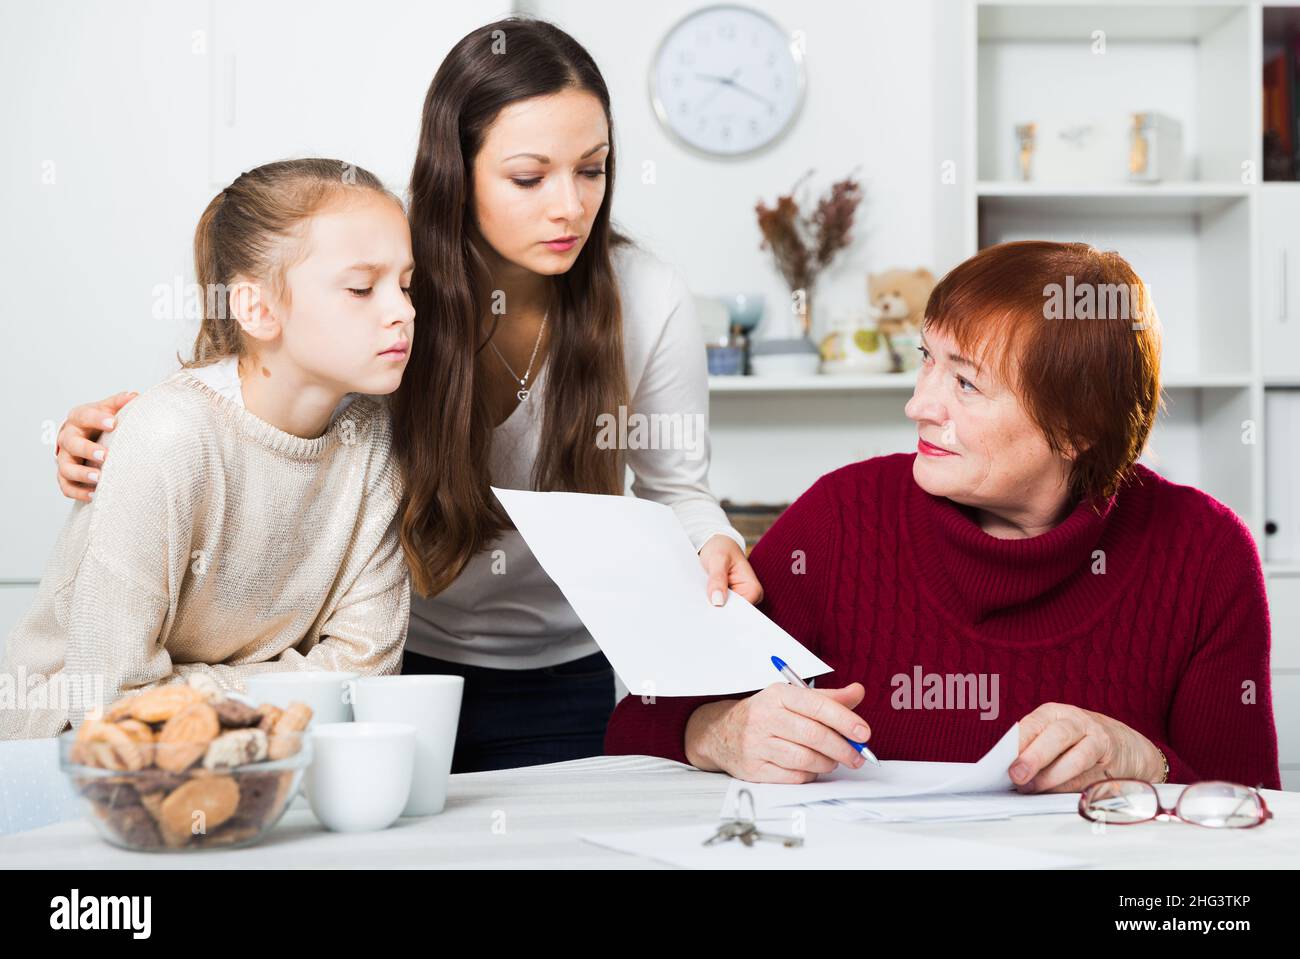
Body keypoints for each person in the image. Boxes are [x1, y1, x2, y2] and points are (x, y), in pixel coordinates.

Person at [48, 18, 759, 772]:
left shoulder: (647, 297)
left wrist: (714, 542)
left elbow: (678, 489)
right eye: (529, 176)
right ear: (457, 168)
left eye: (593, 169)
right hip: (398, 663)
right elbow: (262, 380)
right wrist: (115, 438)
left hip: (571, 668)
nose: (570, 206)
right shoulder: (387, 263)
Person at [606, 240, 1282, 793]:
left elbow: (1255, 819)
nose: (920, 405)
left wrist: (1149, 764)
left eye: (965, 382)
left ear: (1078, 427)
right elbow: (636, 724)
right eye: (927, 360)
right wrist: (720, 732)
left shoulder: (1205, 551)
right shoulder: (842, 518)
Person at [1, 158, 413, 739]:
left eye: (406, 283)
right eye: (362, 288)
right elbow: (115, 694)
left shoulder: (370, 440)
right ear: (256, 309)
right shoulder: (168, 438)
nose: (403, 311)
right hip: (70, 751)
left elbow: (366, 672)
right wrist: (279, 682)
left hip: (249, 752)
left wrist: (194, 684)